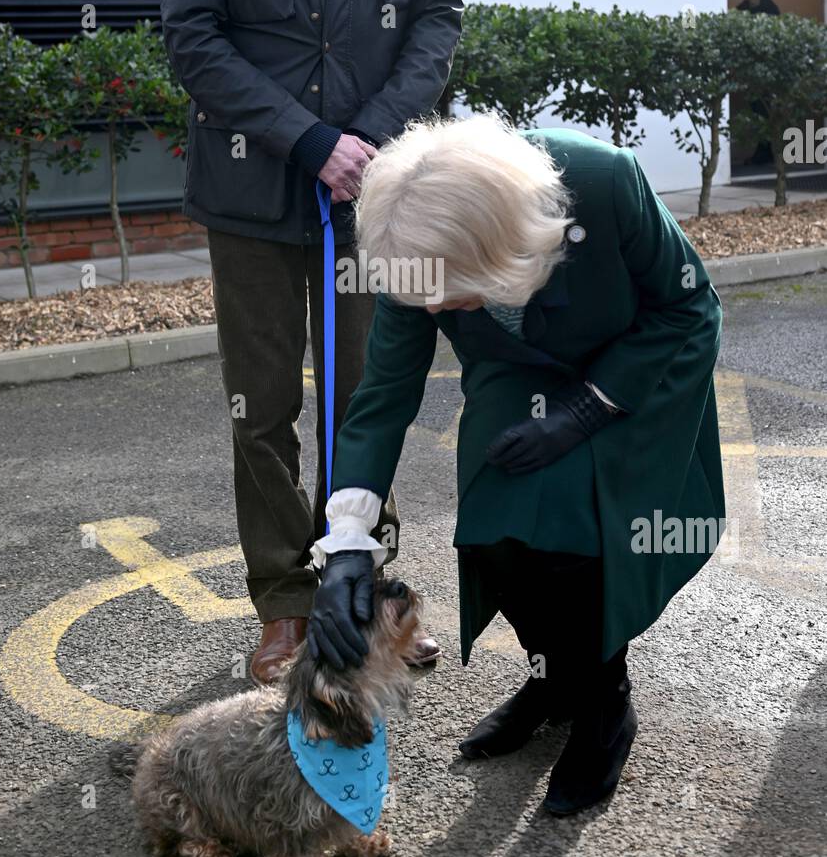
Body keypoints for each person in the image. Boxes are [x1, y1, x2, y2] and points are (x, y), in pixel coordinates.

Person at [160, 0, 464, 682]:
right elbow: (192, 40)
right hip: (253, 196)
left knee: (363, 400)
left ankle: (361, 587)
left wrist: (366, 141)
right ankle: (285, 605)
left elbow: (435, 21)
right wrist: (307, 140)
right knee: (261, 409)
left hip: (368, 192)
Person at [307, 113, 726, 815]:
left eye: (447, 289)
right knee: (495, 532)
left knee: (575, 546)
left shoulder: (601, 179)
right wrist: (348, 544)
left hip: (633, 373)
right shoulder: (410, 232)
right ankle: (554, 678)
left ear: (504, 243)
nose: (433, 306)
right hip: (517, 373)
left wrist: (588, 409)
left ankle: (603, 708)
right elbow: (382, 396)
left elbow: (689, 308)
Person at [735, 0, 780, 164]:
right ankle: (764, 152)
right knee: (756, 111)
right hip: (749, 71)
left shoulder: (770, 9)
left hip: (767, 70)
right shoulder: (741, 10)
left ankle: (767, 153)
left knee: (766, 111)